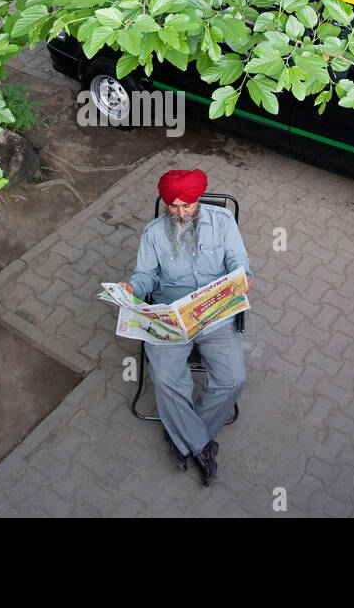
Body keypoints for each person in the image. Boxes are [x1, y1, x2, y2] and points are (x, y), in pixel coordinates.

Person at [119, 169, 252, 487]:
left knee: (233, 379)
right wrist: (132, 288)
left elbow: (238, 261)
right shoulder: (153, 233)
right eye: (174, 206)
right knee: (166, 378)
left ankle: (183, 439)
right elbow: (146, 275)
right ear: (166, 204)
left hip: (214, 312)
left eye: (187, 206)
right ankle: (202, 446)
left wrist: (243, 278)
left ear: (198, 202)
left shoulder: (223, 222)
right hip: (171, 315)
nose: (181, 213)